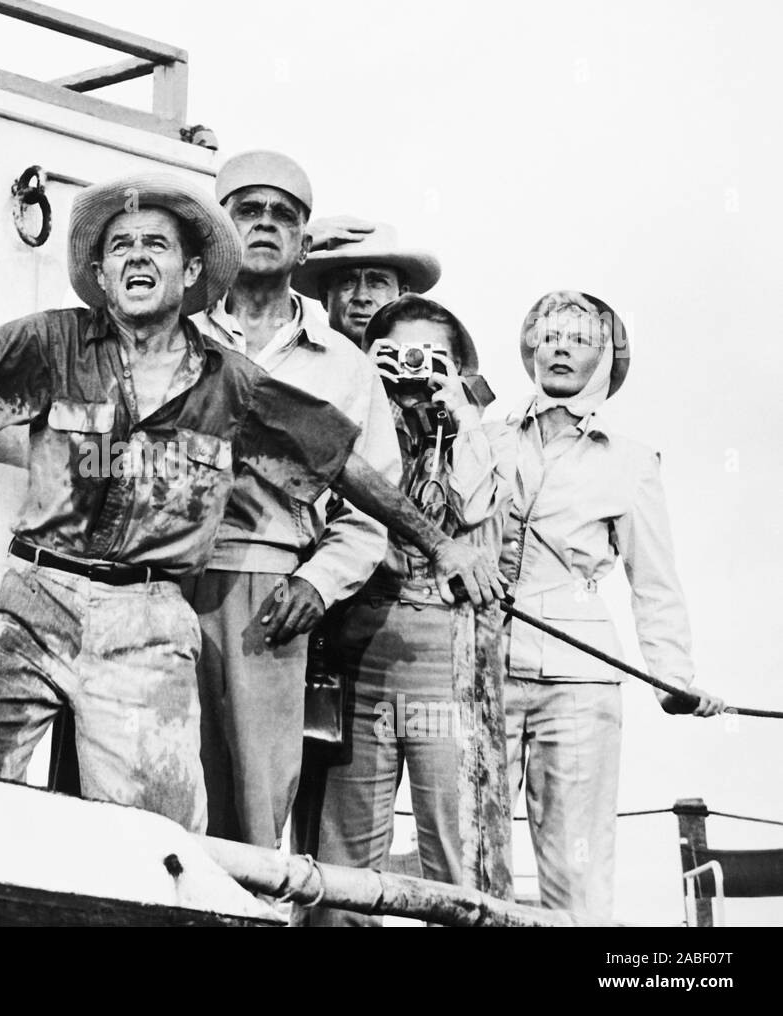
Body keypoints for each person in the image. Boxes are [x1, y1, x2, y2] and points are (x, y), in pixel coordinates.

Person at [0, 173, 504, 834]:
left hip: (149, 624)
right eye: (119, 245)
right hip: (34, 601)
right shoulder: (48, 343)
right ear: (103, 272)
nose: (136, 256)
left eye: (156, 244)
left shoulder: (235, 383)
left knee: (152, 843)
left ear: (192, 274)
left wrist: (443, 544)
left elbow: (345, 469)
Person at [186, 150, 400, 849]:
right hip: (159, 580)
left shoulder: (344, 364)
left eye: (285, 214)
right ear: (218, 227)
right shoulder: (175, 333)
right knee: (156, 785)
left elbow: (372, 510)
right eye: (248, 209)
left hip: (272, 594)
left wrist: (317, 581)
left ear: (305, 241)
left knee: (256, 805)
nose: (267, 223)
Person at [500, 290, 723, 921]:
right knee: (473, 849)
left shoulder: (629, 461)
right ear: (531, 350)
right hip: (478, 667)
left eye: (580, 337)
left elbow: (654, 581)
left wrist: (673, 679)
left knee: (576, 866)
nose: (562, 347)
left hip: (580, 677)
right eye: (549, 336)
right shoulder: (483, 438)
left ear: (606, 357)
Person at [290, 294, 511, 926]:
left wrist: (457, 408)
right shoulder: (349, 418)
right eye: (393, 353)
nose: (412, 366)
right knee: (344, 854)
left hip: (446, 646)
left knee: (459, 846)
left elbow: (473, 507)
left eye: (430, 355)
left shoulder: (474, 430)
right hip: (356, 641)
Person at [292, 220, 441, 350]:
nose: (362, 296)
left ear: (401, 296)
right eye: (348, 281)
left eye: (377, 282)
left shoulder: (424, 365)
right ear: (325, 296)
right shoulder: (296, 366)